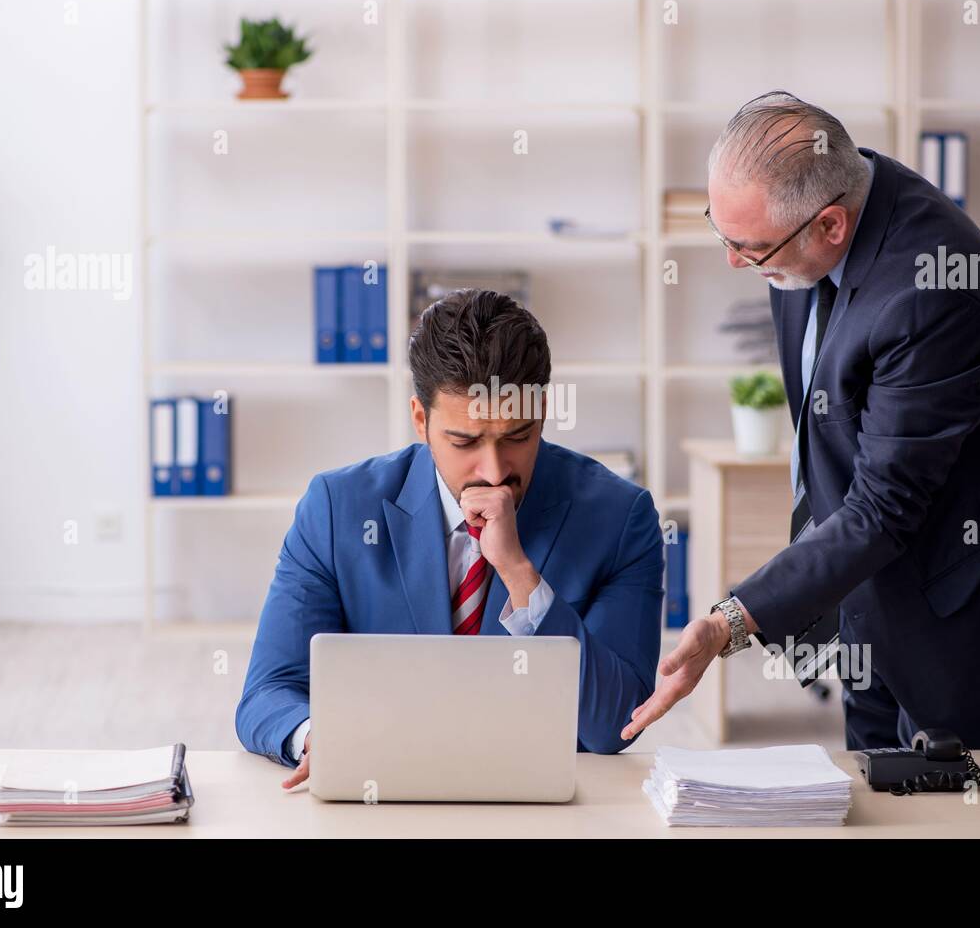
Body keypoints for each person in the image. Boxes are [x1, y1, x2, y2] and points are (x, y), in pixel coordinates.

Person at [623, 91, 980, 750]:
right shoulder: (803, 217)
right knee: (871, 800)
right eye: (721, 231)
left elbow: (884, 507)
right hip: (864, 593)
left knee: (972, 815)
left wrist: (731, 618)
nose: (733, 260)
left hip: (964, 609)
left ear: (832, 227)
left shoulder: (939, 293)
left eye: (748, 247)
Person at [237, 288, 664, 788]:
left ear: (543, 412)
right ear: (421, 419)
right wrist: (315, 735)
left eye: (517, 436)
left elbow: (615, 724)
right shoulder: (336, 508)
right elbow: (269, 691)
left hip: (536, 805)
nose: (494, 469)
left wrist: (521, 576)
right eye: (464, 441)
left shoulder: (620, 518)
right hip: (382, 795)